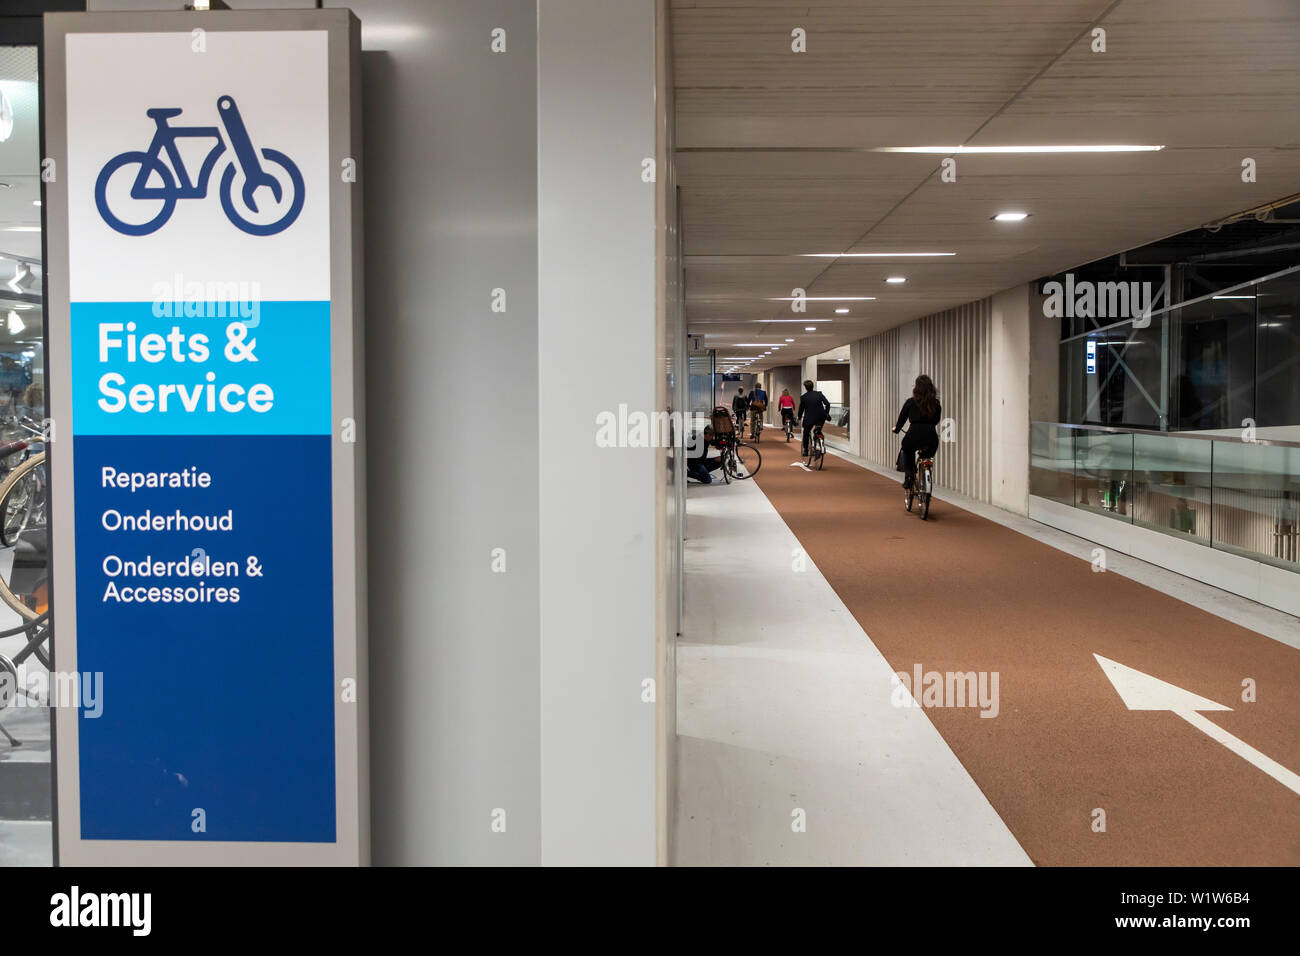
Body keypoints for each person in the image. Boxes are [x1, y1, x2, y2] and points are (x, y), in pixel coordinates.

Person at [893, 374, 942, 491]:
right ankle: (925, 468)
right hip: (931, 436)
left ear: (916, 388)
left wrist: (897, 429)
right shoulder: (936, 403)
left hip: (914, 434)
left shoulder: (911, 402)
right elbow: (936, 420)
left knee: (907, 449)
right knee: (927, 455)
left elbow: (902, 418)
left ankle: (909, 476)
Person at [796, 379, 830, 456]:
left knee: (806, 433)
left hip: (809, 418)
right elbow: (827, 404)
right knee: (818, 430)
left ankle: (805, 450)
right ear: (813, 386)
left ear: (805, 388)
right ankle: (820, 443)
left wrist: (799, 417)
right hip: (821, 417)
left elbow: (801, 409)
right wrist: (826, 413)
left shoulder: (804, 397)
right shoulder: (819, 394)